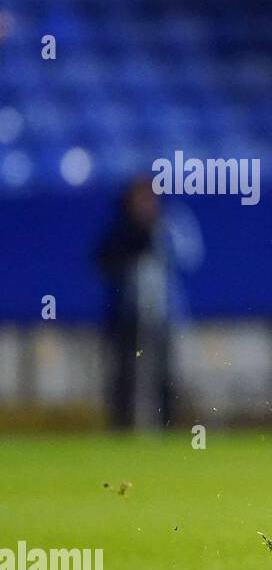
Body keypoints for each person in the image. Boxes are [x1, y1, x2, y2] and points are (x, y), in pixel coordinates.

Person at [94, 176, 203, 430]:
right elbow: (101, 261)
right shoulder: (120, 230)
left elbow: (190, 257)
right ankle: (123, 426)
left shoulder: (168, 225)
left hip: (163, 311)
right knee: (125, 372)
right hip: (128, 314)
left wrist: (159, 238)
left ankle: (167, 424)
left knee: (165, 372)